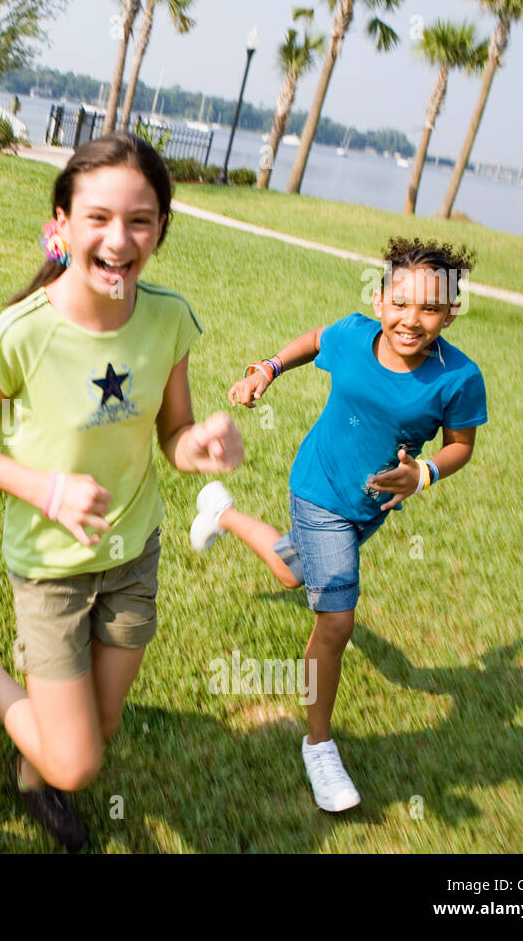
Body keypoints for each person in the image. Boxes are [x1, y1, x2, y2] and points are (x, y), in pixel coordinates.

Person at [0, 133, 243, 851]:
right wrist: (41, 488)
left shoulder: (168, 318)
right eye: (97, 217)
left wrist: (202, 446)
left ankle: (33, 787)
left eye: (141, 219)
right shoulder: (22, 332)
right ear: (62, 223)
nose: (120, 239)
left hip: (134, 557)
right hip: (52, 569)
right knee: (79, 758)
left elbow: (174, 432)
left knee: (97, 728)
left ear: (161, 228)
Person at [191, 237, 486, 813]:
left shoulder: (458, 377)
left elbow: (460, 446)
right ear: (379, 301)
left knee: (290, 571)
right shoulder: (354, 335)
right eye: (400, 303)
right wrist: (267, 369)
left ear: (450, 313)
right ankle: (319, 743)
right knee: (337, 619)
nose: (412, 319)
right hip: (318, 485)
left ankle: (220, 512)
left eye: (430, 308)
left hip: (367, 506)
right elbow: (314, 341)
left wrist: (423, 474)